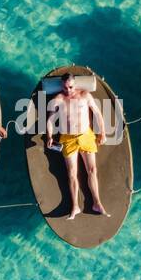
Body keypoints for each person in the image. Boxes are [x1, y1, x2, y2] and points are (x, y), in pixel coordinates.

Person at [44, 73, 109, 219]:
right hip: (68, 138)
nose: (68, 90)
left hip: (86, 135)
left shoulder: (85, 95)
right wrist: (49, 136)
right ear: (62, 86)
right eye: (65, 87)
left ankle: (97, 203)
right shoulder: (58, 99)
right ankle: (75, 206)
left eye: (71, 87)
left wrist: (102, 133)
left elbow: (97, 114)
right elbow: (49, 120)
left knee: (92, 169)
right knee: (72, 173)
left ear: (75, 84)